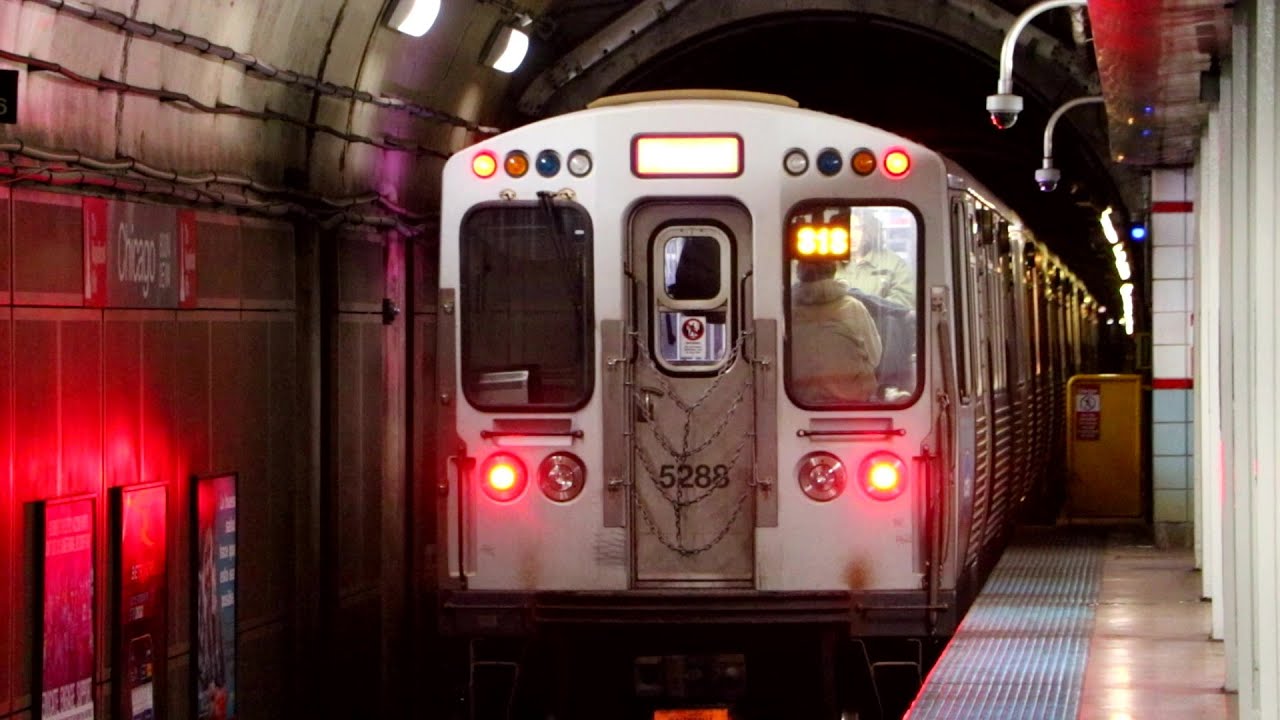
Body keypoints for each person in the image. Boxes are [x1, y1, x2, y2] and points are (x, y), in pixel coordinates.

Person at [790, 260, 882, 403]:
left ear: (799, 273)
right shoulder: (853, 307)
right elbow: (875, 356)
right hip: (853, 399)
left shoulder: (788, 310)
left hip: (800, 399)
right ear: (833, 272)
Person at [837, 209, 914, 308]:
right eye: (846, 228)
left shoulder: (893, 263)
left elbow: (904, 301)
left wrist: (869, 308)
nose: (851, 235)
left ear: (869, 230)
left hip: (879, 322)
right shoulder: (827, 263)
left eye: (858, 228)